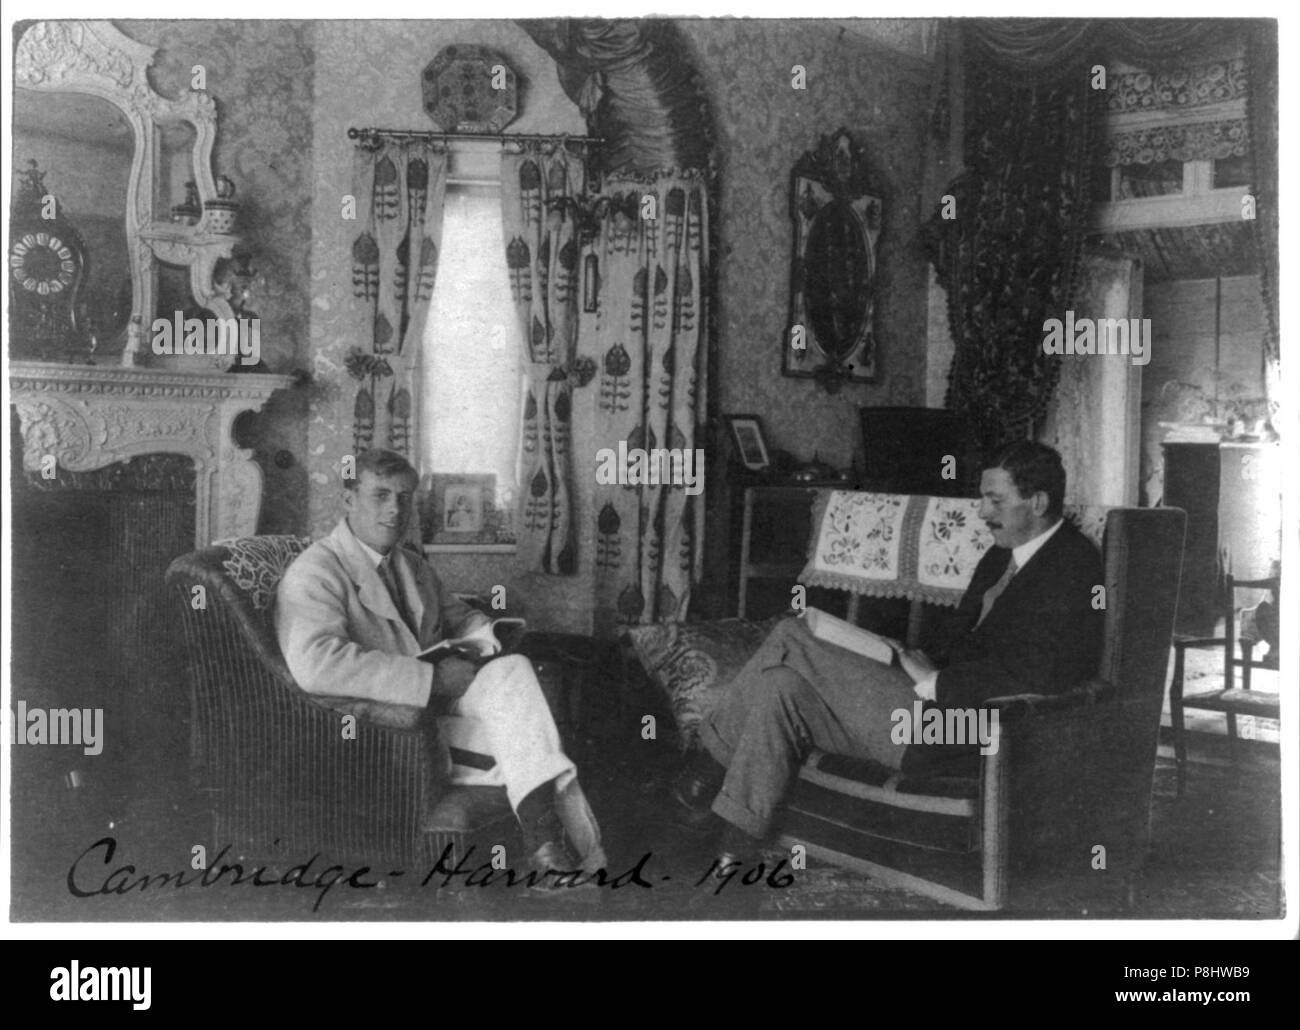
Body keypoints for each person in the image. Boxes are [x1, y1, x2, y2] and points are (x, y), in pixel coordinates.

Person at [673, 440, 1104, 868]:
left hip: (958, 731)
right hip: (926, 705)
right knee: (778, 686)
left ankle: (698, 776)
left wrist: (935, 681)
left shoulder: (1073, 566)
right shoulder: (999, 556)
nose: (982, 512)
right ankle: (734, 852)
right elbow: (960, 640)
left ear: (1039, 501)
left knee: (790, 634)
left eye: (995, 500)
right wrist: (902, 654)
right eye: (981, 498)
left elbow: (1042, 676)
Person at [275, 449, 604, 892]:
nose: (395, 509)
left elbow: (459, 617)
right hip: (385, 730)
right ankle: (550, 846)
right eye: (380, 495)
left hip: (438, 713)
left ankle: (547, 848)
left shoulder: (409, 564)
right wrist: (432, 680)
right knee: (533, 744)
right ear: (349, 500)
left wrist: (487, 635)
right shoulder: (316, 571)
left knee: (514, 673)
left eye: (405, 498)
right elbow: (316, 665)